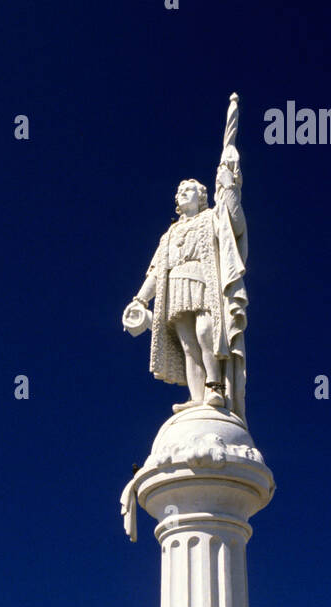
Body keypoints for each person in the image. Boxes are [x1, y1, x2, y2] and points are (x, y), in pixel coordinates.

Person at [122, 94, 248, 422]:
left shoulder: (210, 218)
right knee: (188, 343)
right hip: (176, 285)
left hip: (202, 279)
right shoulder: (169, 234)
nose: (182, 194)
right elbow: (156, 271)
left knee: (208, 332)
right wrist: (140, 299)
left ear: (201, 197)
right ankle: (196, 397)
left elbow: (234, 226)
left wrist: (230, 188)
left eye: (189, 190)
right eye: (179, 192)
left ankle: (215, 387)